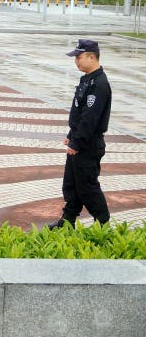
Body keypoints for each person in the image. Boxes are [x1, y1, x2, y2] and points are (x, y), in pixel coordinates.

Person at [48, 39, 112, 229]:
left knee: (87, 187)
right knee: (71, 184)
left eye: (79, 57)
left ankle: (103, 224)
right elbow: (80, 111)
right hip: (80, 138)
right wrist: (71, 134)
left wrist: (77, 143)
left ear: (92, 57)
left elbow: (90, 118)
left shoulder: (99, 83)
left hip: (88, 144)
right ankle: (67, 222)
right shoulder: (87, 79)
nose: (76, 61)